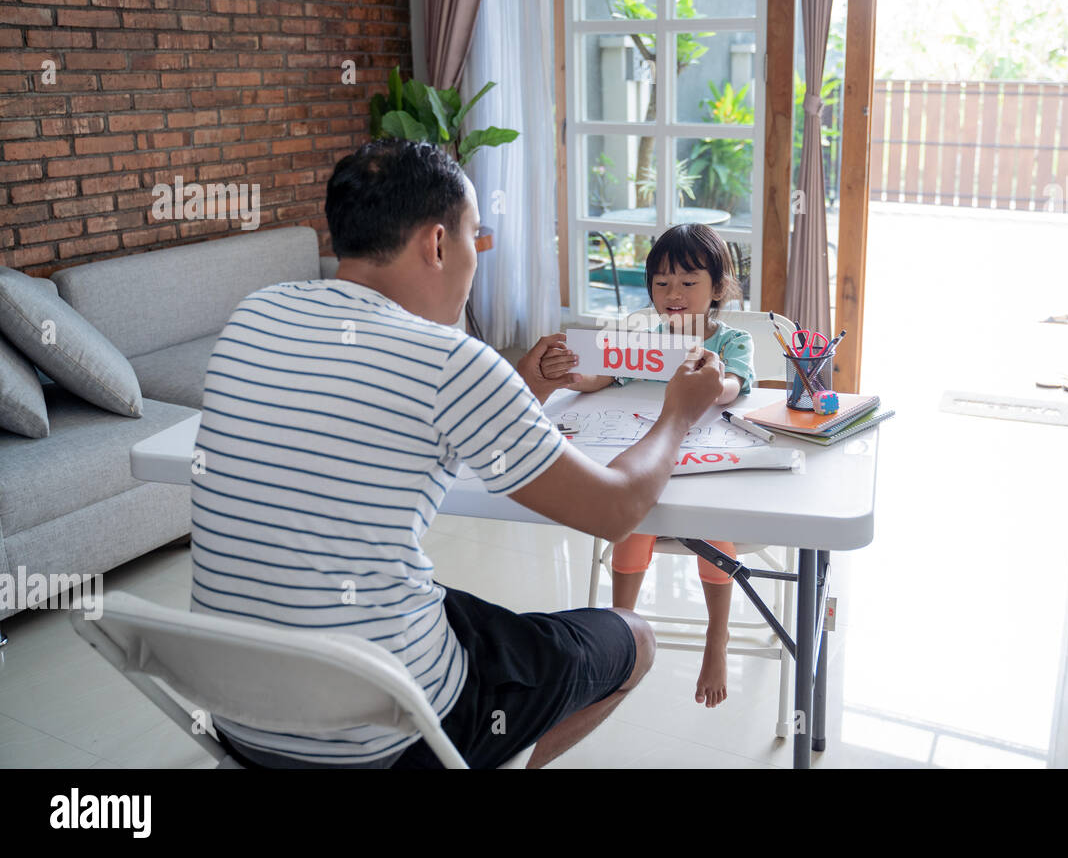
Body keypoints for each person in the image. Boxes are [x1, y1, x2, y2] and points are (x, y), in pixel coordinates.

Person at [188, 139, 724, 768]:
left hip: (237, 717)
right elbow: (615, 511)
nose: (477, 258)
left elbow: (405, 424)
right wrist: (678, 413)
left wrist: (523, 387)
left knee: (436, 596)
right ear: (438, 245)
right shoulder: (450, 361)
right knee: (632, 637)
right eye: (476, 237)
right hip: (386, 737)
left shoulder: (256, 313)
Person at [538, 224, 754, 707]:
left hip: (701, 467)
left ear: (718, 288)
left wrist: (709, 381)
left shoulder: (732, 342)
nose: (672, 294)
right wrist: (572, 373)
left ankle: (715, 638)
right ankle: (620, 636)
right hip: (641, 462)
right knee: (629, 521)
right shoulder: (642, 337)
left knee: (712, 524)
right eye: (660, 283)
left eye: (688, 282)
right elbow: (601, 377)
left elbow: (732, 388)